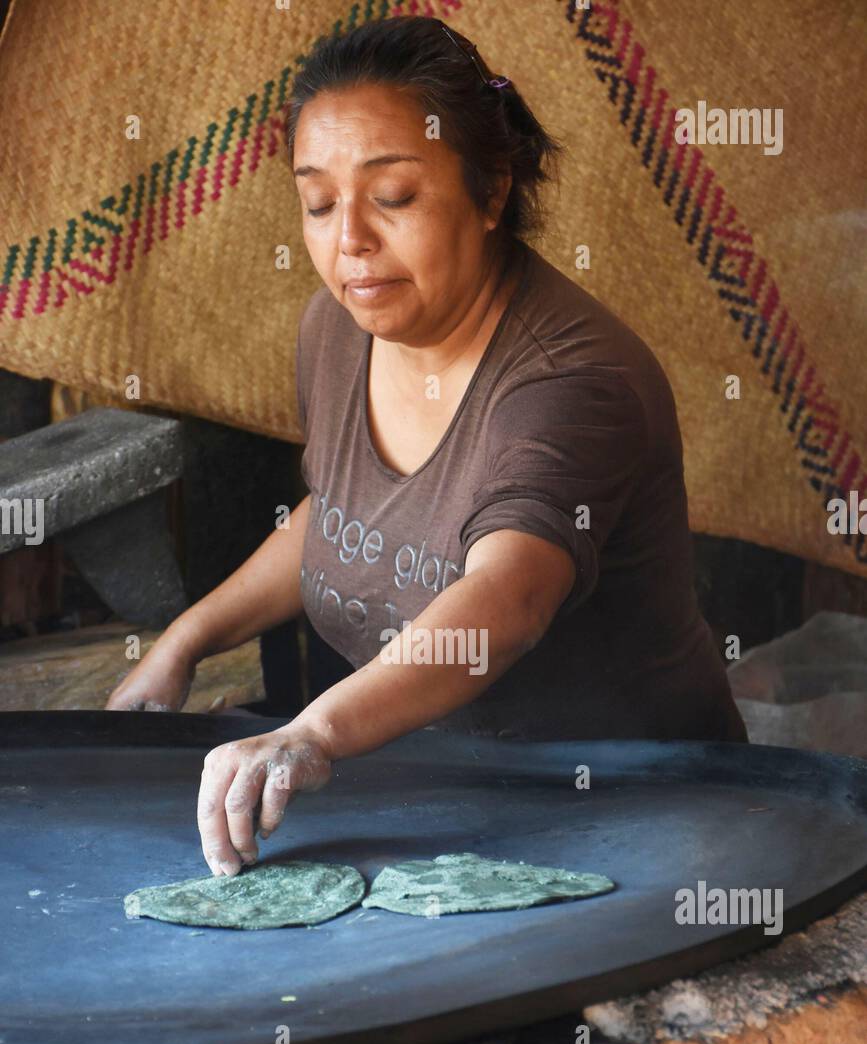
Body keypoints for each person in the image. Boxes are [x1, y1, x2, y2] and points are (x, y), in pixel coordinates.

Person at [106, 15, 747, 879]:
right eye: (319, 203)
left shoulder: (569, 383)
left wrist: (312, 733)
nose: (350, 242)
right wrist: (185, 642)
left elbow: (505, 603)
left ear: (490, 195)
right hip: (444, 798)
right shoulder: (337, 329)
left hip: (632, 814)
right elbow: (340, 514)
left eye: (394, 198)